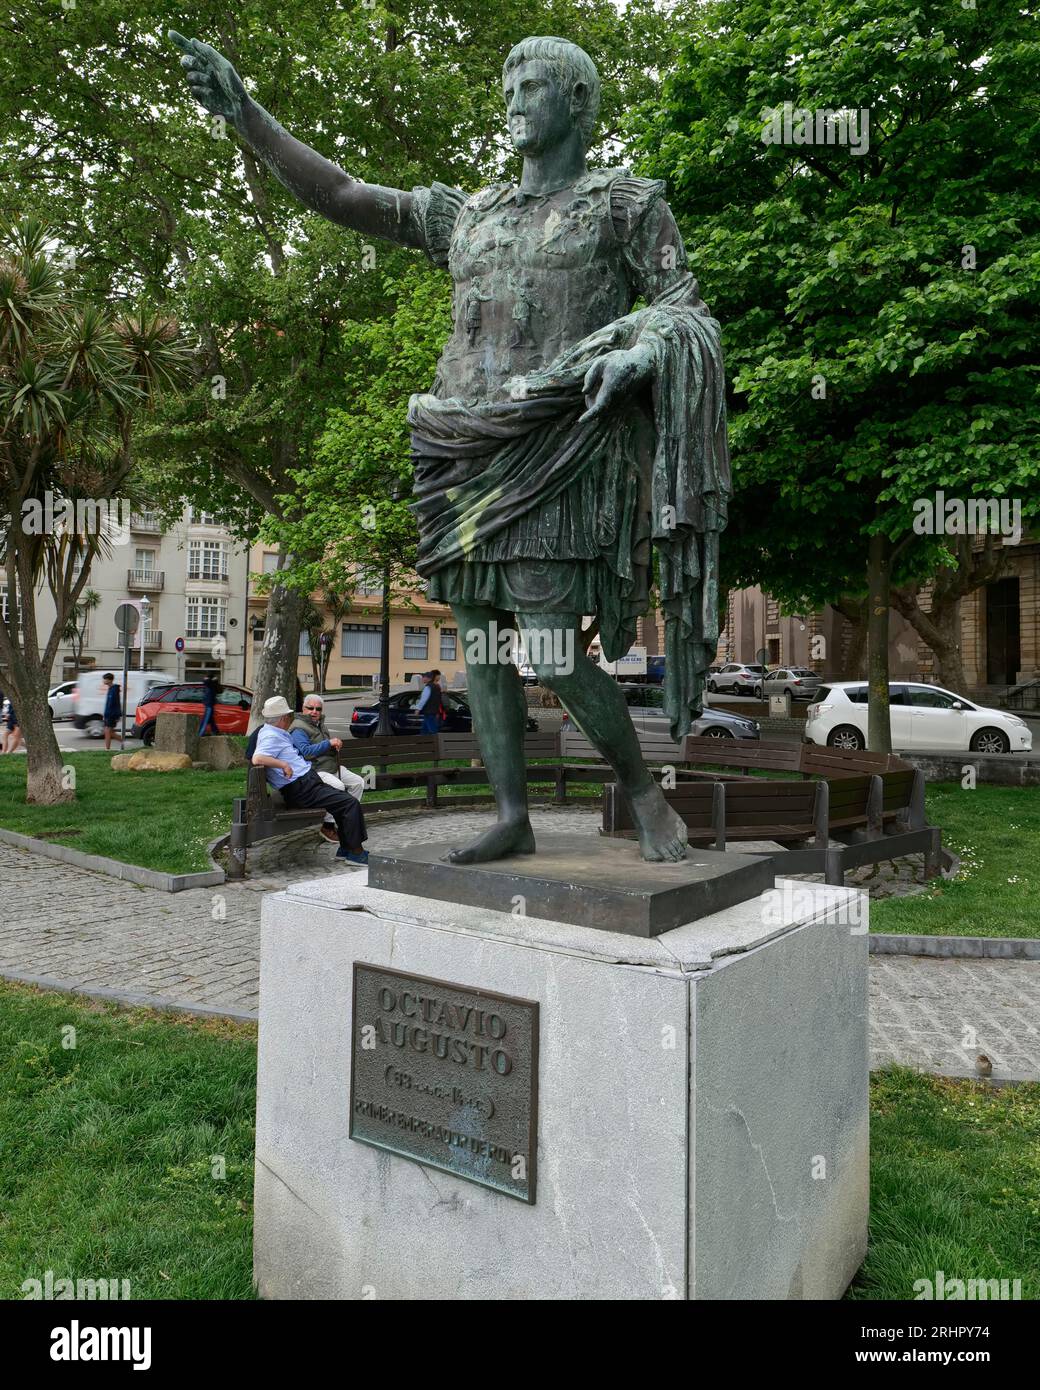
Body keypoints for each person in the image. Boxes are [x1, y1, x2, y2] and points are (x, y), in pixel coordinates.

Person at [172, 31, 730, 866]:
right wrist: (248, 116)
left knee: (544, 643)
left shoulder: (622, 207)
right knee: (480, 645)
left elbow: (685, 311)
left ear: (578, 101)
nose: (512, 101)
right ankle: (512, 814)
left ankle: (645, 796)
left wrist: (642, 354)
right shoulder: (468, 213)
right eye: (507, 85)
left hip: (556, 447)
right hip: (458, 449)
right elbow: (345, 194)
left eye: (531, 85)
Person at [251, 695, 368, 863]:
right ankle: (356, 853)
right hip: (301, 788)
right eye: (289, 715)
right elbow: (258, 758)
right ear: (284, 717)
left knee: (343, 803)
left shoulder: (272, 731)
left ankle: (346, 848)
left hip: (305, 783)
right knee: (350, 804)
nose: (291, 718)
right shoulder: (271, 736)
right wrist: (283, 765)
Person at [290, 695, 366, 844]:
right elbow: (306, 752)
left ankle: (346, 822)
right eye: (310, 708)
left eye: (318, 709)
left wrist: (334, 746)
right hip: (315, 770)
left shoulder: (320, 725)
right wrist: (329, 743)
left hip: (330, 766)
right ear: (303, 709)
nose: (314, 712)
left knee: (358, 782)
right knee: (338, 786)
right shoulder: (298, 728)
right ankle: (328, 826)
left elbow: (325, 746)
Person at [416, 670, 444, 735]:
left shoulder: (428, 687)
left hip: (429, 711)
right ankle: (423, 742)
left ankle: (436, 743)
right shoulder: (437, 686)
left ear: (428, 678)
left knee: (432, 729)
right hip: (433, 711)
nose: (422, 679)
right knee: (425, 729)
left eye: (423, 677)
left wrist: (418, 709)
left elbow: (423, 699)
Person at [101, 673, 121, 750]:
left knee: (108, 731)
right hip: (108, 714)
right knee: (109, 731)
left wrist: (117, 715)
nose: (103, 681)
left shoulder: (114, 690)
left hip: (111, 714)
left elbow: (116, 703)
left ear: (109, 680)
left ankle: (108, 749)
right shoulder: (110, 689)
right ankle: (108, 748)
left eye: (104, 679)